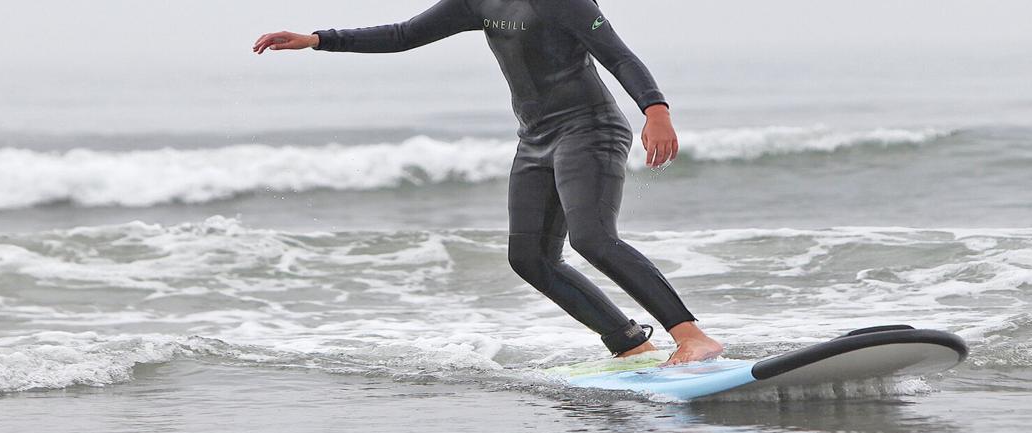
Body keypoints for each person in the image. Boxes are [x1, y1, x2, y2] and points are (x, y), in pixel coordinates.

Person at [254, 0, 724, 365]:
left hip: (591, 128)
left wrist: (655, 109)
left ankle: (692, 337)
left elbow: (619, 56)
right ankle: (629, 345)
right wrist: (317, 39)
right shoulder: (476, 1)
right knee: (530, 258)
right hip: (536, 138)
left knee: (593, 238)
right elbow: (402, 35)